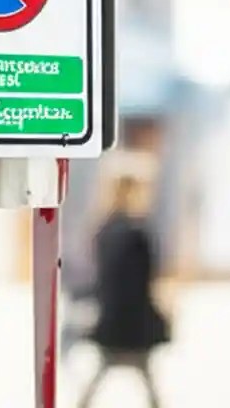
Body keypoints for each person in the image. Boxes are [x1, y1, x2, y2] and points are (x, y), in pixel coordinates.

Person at [77, 174, 170, 408]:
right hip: (133, 319)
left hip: (113, 317)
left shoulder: (104, 231)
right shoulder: (135, 235)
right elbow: (144, 280)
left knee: (111, 371)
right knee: (143, 375)